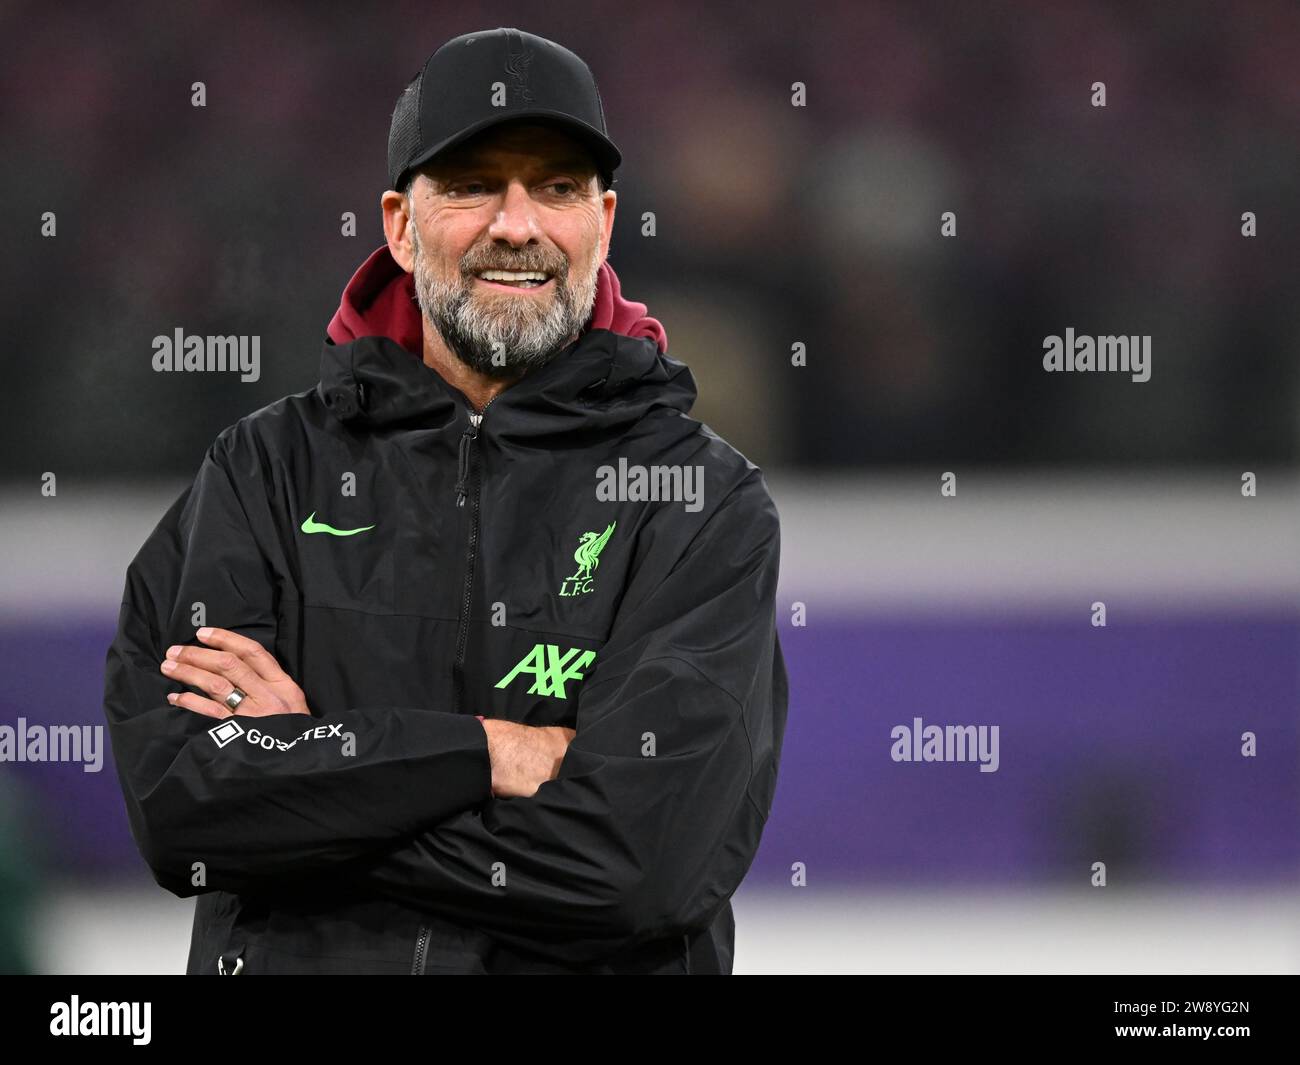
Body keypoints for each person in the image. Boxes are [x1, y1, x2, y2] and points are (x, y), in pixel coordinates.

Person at [102, 26, 787, 975]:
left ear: (605, 220)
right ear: (397, 223)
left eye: (557, 187)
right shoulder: (261, 472)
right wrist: (486, 751)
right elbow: (185, 804)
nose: (518, 225)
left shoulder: (701, 502)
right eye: (470, 185)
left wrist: (315, 787)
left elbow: (640, 866)